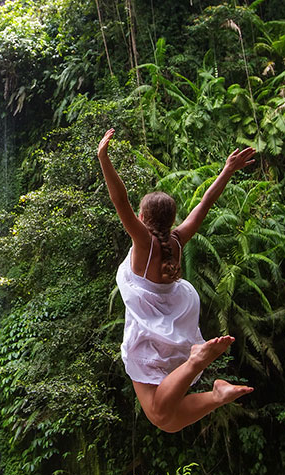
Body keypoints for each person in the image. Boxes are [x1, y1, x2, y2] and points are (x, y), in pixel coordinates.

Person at [98, 128, 256, 433]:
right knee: (166, 420)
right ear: (171, 219)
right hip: (172, 322)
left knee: (158, 413)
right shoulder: (178, 240)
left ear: (142, 218)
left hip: (149, 331)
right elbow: (204, 205)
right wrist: (226, 170)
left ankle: (197, 362)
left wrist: (103, 158)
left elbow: (120, 200)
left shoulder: (144, 243)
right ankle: (215, 396)